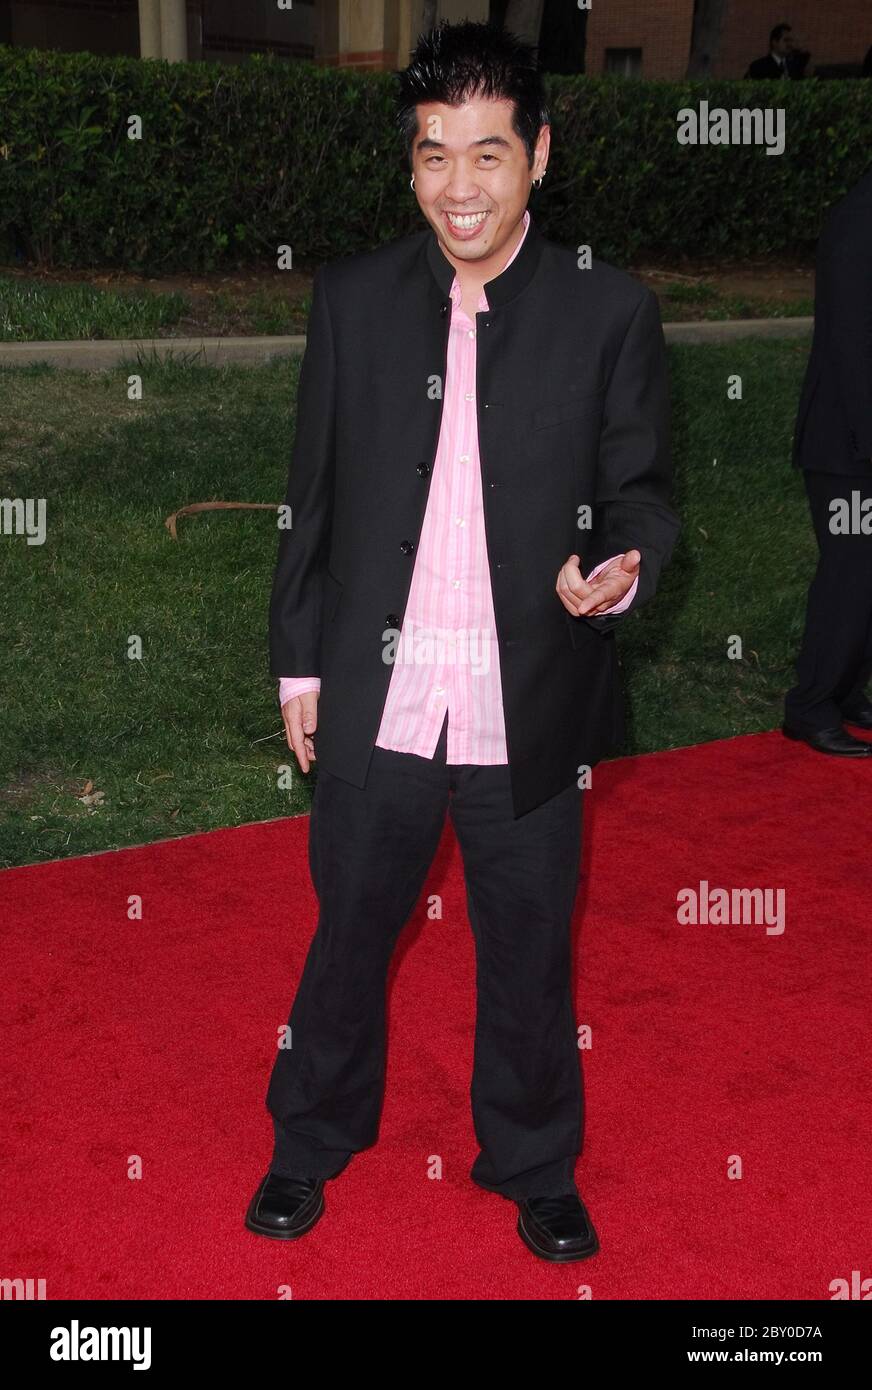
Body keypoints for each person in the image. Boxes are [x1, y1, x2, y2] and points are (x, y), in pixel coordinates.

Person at [245, 19, 680, 1262]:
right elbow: (308, 500)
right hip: (380, 689)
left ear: (537, 155)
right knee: (347, 935)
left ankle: (533, 1161)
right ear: (412, 162)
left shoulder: (607, 313)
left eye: (487, 154)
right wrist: (299, 661)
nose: (459, 186)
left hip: (524, 694)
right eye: (434, 154)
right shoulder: (353, 300)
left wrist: (620, 562)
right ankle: (309, 1137)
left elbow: (641, 489)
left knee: (531, 949)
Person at [784, 167, 872, 756]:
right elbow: (852, 343)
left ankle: (843, 691)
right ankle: (810, 705)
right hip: (847, 444)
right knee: (849, 577)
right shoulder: (859, 220)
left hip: (856, 439)